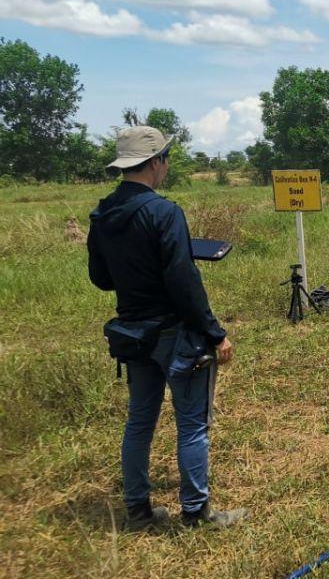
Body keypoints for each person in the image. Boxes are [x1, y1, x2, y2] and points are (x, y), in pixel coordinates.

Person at [87, 126, 246, 529]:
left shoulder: (103, 213)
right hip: (174, 334)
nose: (167, 167)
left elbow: (101, 278)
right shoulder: (164, 212)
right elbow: (183, 280)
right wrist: (215, 333)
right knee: (192, 425)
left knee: (140, 420)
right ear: (156, 162)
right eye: (166, 160)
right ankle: (196, 514)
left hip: (132, 334)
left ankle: (138, 511)